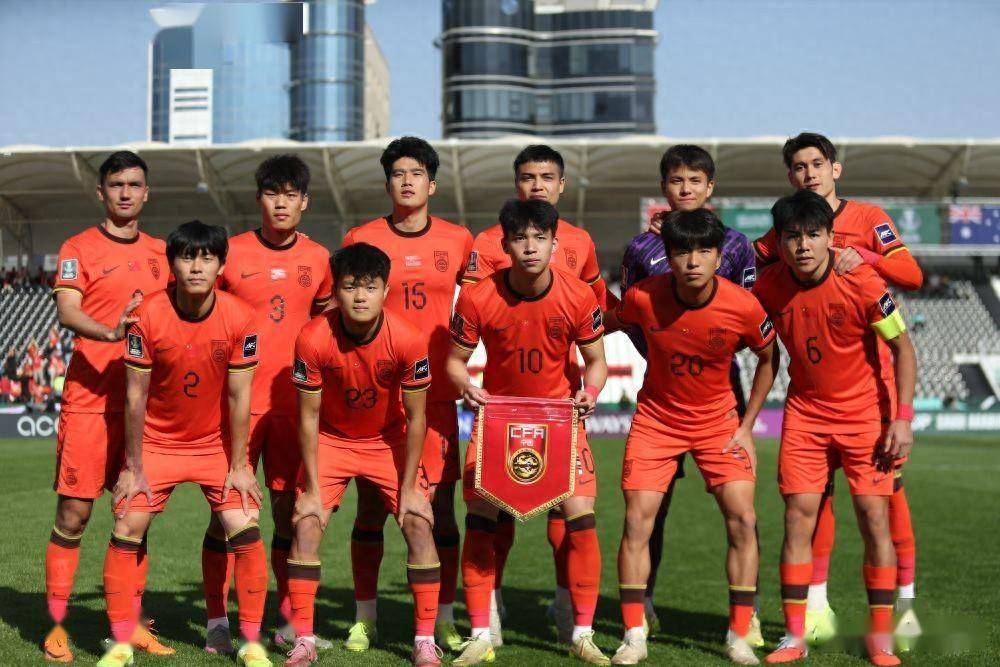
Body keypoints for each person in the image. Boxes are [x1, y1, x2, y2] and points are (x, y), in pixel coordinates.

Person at [754, 133, 924, 646]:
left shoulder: (868, 218)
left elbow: (911, 275)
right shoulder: (785, 231)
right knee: (812, 506)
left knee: (885, 505)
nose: (809, 173)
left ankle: (904, 610)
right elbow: (743, 262)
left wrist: (865, 257)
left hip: (874, 392)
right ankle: (814, 609)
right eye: (799, 166)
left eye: (817, 164)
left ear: (836, 168)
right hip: (811, 400)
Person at [604, 209, 777, 665]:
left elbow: (769, 357)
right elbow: (602, 323)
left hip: (718, 423)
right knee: (637, 521)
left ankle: (739, 634)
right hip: (656, 421)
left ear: (720, 257)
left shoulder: (743, 305)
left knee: (743, 519)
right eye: (682, 251)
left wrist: (746, 424)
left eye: (704, 251)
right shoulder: (643, 296)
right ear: (668, 255)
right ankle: (634, 634)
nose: (693, 261)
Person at [96, 220, 270, 667]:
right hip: (157, 444)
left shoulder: (240, 317)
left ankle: (248, 640)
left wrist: (240, 464)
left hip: (215, 446)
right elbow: (135, 395)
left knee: (245, 525)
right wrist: (133, 466)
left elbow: (240, 396)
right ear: (172, 264)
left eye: (207, 258)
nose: (196, 266)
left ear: (221, 266)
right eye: (187, 257)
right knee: (127, 524)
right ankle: (121, 640)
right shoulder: (147, 315)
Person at [463, 144, 614, 645]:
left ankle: (569, 605)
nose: (538, 185)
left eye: (547, 177)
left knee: (567, 513)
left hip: (559, 406)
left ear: (561, 185)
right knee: (494, 510)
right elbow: (474, 315)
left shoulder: (580, 245)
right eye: (528, 177)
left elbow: (596, 318)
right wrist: (465, 383)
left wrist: (591, 387)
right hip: (502, 408)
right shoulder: (487, 245)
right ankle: (490, 606)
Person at [341, 137, 474, 653]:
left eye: (416, 173)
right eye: (397, 173)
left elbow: (481, 303)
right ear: (387, 183)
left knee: (440, 512)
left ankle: (444, 619)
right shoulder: (362, 237)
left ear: (432, 184)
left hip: (435, 399)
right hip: (377, 399)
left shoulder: (459, 240)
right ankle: (365, 617)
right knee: (371, 510)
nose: (407, 181)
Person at [282, 242, 441, 667]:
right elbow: (308, 417)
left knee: (418, 523)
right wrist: (311, 488)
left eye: (369, 287)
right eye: (350, 287)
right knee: (307, 524)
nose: (359, 297)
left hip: (387, 440)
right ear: (335, 291)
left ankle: (425, 640)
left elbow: (417, 418)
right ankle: (304, 639)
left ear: (385, 291)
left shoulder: (408, 338)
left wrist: (410, 488)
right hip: (332, 439)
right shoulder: (313, 337)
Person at [201, 155, 334, 654]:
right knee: (225, 515)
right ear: (259, 198)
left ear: (304, 202)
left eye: (290, 195)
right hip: (234, 405)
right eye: (272, 193)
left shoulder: (319, 258)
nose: (281, 203)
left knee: (286, 513)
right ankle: (217, 620)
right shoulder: (230, 252)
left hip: (292, 406)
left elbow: (326, 324)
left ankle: (285, 619)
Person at [44, 151, 172, 662]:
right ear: (101, 192)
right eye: (116, 184)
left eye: (134, 184)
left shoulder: (164, 253)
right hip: (90, 401)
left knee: (136, 517)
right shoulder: (77, 248)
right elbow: (67, 310)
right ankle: (56, 627)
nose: (125, 192)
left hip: (146, 408)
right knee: (74, 515)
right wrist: (111, 332)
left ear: (147, 193)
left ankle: (129, 624)